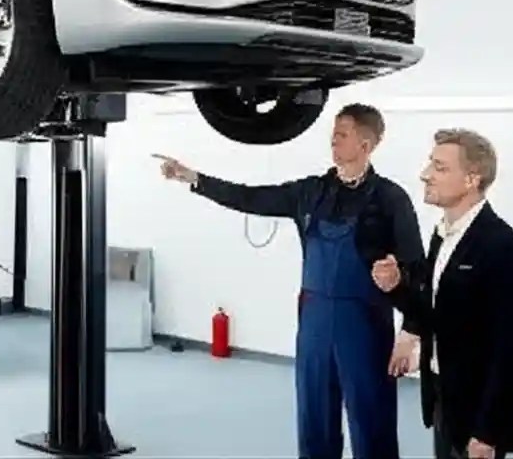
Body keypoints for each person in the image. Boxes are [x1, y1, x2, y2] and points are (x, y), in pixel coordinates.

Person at [155, 103, 425, 459]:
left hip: (365, 325)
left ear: (366, 143)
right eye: (334, 132)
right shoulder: (311, 192)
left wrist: (411, 331)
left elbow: (416, 269)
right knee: (314, 418)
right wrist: (195, 179)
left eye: (342, 134)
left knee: (371, 419)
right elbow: (251, 197)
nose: (333, 139)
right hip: (313, 322)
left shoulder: (391, 199)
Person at [371, 128, 513, 459]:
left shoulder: (505, 249)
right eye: (429, 164)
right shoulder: (443, 238)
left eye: (440, 167)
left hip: (479, 412)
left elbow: (512, 352)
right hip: (445, 398)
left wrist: (487, 433)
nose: (425, 175)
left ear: (471, 180)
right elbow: (433, 314)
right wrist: (396, 289)